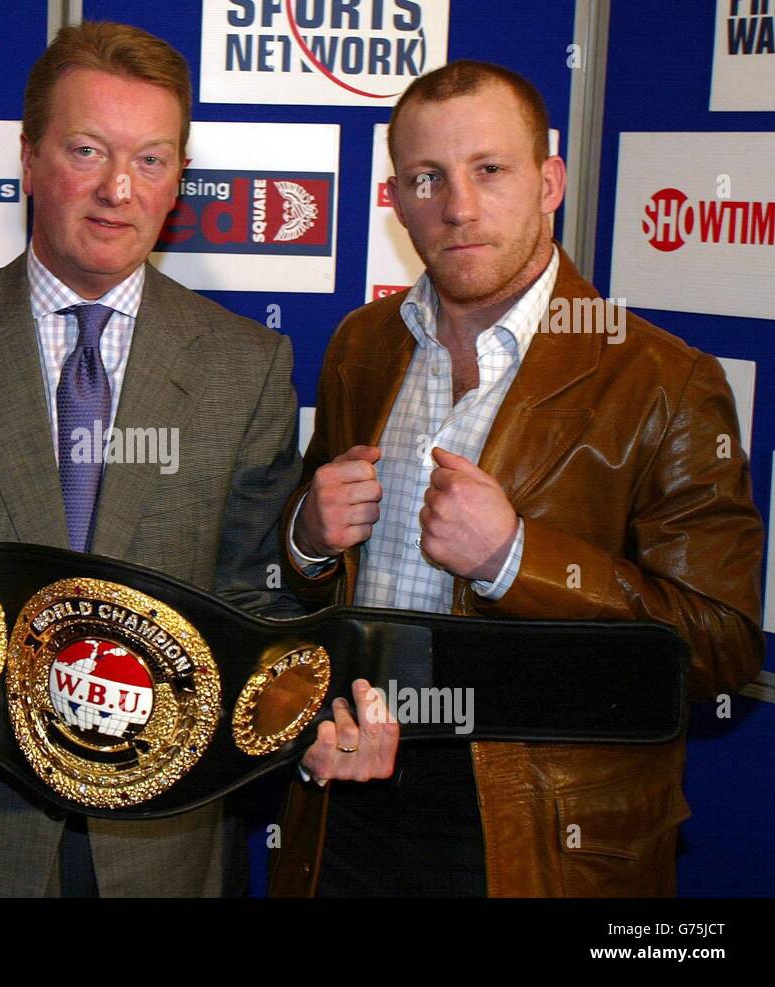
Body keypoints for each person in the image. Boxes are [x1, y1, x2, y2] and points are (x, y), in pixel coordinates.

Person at [271, 60, 765, 897]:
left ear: (549, 182)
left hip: (537, 828)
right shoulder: (364, 344)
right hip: (348, 796)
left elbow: (717, 645)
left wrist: (516, 558)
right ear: (396, 198)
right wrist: (306, 538)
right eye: (427, 178)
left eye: (489, 170)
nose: (457, 207)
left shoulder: (663, 380)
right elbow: (317, 590)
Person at [0, 21, 302, 897]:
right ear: (28, 160)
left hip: (166, 845)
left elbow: (251, 605)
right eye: (87, 150)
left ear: (177, 179)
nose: (116, 189)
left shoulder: (247, 367)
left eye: (150, 159)